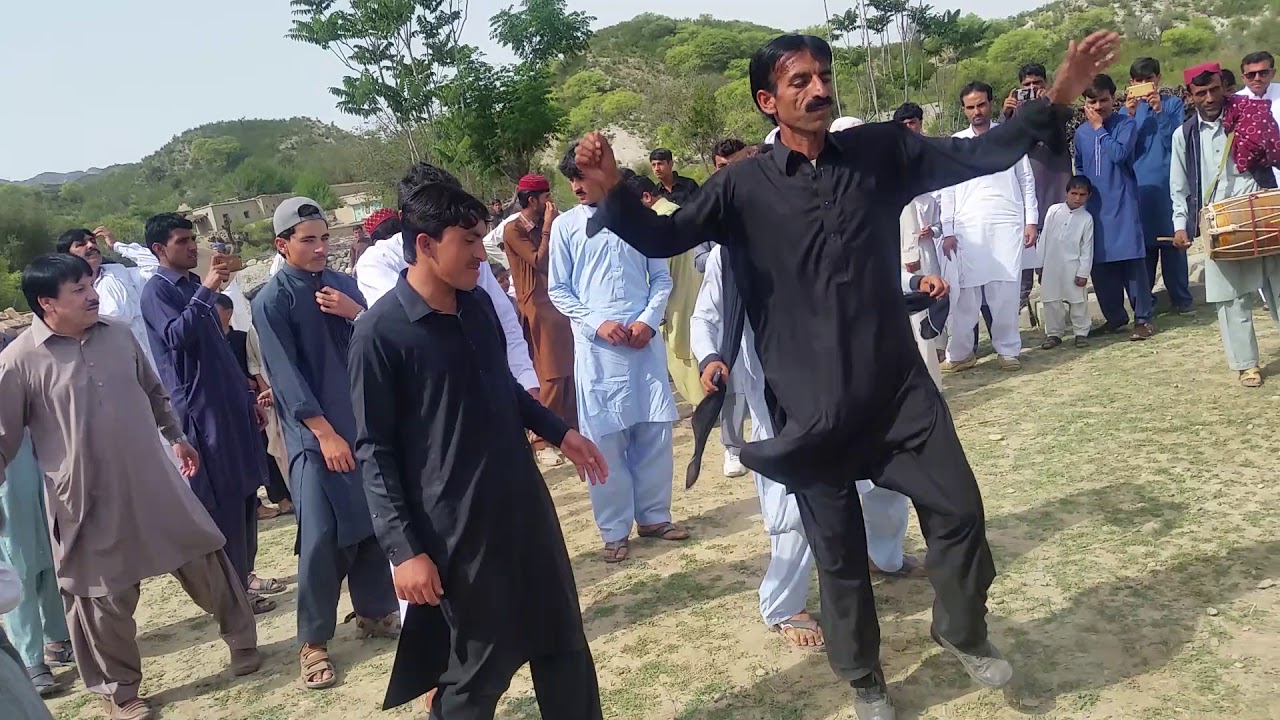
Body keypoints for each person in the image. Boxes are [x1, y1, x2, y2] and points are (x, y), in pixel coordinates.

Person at [571, 30, 1119, 719]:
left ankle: (959, 627)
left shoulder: (882, 151)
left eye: (823, 76)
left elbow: (983, 153)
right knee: (837, 552)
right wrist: (612, 189)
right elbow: (663, 235)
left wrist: (1061, 93)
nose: (819, 89)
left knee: (960, 513)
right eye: (798, 81)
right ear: (768, 101)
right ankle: (864, 677)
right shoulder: (740, 185)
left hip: (897, 393)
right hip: (811, 408)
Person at [349, 170, 608, 718]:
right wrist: (405, 551)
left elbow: (504, 390)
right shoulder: (381, 333)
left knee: (561, 641)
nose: (478, 254)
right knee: (476, 669)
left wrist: (562, 433)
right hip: (456, 532)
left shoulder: (478, 306)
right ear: (424, 244)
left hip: (522, 507)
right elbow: (375, 451)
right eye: (467, 242)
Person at [1, 254, 261, 720]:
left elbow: (155, 392)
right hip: (83, 501)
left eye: (91, 284)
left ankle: (242, 642)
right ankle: (120, 693)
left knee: (205, 560)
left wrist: (177, 439)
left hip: (152, 482)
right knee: (100, 600)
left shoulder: (118, 333)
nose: (92, 294)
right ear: (47, 303)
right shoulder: (19, 361)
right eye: (78, 289)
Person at [251, 198, 400, 690]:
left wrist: (356, 312)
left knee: (374, 523)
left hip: (362, 427)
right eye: (308, 240)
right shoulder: (271, 301)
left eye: (323, 238)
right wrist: (324, 434)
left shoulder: (341, 286)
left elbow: (378, 343)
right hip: (314, 439)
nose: (320, 248)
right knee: (319, 537)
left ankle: (375, 611)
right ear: (283, 245)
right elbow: (287, 378)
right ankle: (312, 641)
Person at [549, 142, 689, 564]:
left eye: (583, 176)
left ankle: (653, 516)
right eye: (571, 178)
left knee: (653, 432)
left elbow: (660, 279)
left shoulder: (638, 221)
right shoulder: (567, 227)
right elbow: (559, 289)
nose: (576, 186)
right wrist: (597, 322)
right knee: (604, 440)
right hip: (598, 350)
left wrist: (647, 320)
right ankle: (614, 530)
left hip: (643, 344)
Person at [139, 214, 279, 615]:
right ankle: (231, 598)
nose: (190, 247)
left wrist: (244, 396)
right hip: (201, 413)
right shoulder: (158, 293)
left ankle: (243, 581)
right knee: (220, 505)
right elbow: (177, 337)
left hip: (228, 406)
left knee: (246, 494)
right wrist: (206, 291)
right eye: (181, 241)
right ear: (159, 250)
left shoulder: (188, 287)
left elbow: (219, 350)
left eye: (190, 240)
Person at [353, 165, 540, 395]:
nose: (480, 255)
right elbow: (415, 336)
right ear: (408, 219)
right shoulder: (378, 264)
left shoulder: (474, 271)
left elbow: (504, 322)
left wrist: (527, 385)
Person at [1172, 63, 1280, 388]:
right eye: (1200, 93)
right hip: (1220, 226)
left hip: (1262, 212)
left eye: (1214, 90)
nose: (1209, 98)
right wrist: (1181, 224)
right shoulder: (1184, 135)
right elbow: (1178, 187)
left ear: (1225, 87)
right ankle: (1247, 365)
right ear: (1190, 96)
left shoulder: (1250, 115)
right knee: (1231, 297)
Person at [940, 81, 1038, 373]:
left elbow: (1026, 180)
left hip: (1006, 224)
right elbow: (947, 189)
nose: (976, 112)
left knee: (1005, 292)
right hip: (967, 229)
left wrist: (1030, 220)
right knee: (964, 295)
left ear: (991, 103)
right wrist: (947, 230)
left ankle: (1008, 350)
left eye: (981, 105)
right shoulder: (956, 143)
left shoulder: (1009, 137)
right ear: (963, 109)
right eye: (970, 107)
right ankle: (960, 353)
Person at [0, 330, 72, 696]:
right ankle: (31, 658)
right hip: (6, 488)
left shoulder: (14, 348)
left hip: (39, 473)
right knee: (19, 566)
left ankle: (58, 640)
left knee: (49, 560)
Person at [502, 174, 578, 467]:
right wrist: (548, 227)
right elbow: (539, 261)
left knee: (569, 370)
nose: (550, 202)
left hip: (559, 302)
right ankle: (540, 438)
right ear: (532, 200)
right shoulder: (514, 230)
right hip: (537, 305)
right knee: (551, 374)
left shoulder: (551, 224)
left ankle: (568, 430)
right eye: (545, 196)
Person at [1074, 73, 1153, 340]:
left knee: (1132, 263)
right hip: (1095, 208)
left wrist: (1099, 128)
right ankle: (1115, 317)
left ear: (1114, 98)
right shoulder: (1081, 133)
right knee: (1101, 265)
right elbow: (1082, 167)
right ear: (1085, 102)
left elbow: (1119, 155)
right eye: (1092, 101)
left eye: (1104, 100)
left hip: (1122, 203)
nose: (1098, 107)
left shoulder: (1125, 124)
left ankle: (1142, 318)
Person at [1003, 63, 1072, 317]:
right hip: (1022, 204)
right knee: (1021, 269)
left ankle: (1057, 317)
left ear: (1046, 84)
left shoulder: (1057, 107)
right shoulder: (1014, 116)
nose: (1032, 89)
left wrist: (1049, 103)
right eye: (1027, 86)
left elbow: (1065, 119)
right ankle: (1018, 320)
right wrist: (1006, 115)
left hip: (1055, 195)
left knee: (1053, 267)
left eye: (1037, 84)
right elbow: (1000, 143)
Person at [1126, 58, 1192, 315]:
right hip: (1139, 187)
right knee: (1144, 250)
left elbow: (1175, 141)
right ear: (1131, 84)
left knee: (1174, 243)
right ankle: (1146, 303)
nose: (1144, 85)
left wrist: (1159, 111)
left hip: (1168, 183)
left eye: (1149, 80)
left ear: (1158, 79)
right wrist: (1130, 116)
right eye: (1139, 81)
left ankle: (1182, 299)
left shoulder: (1173, 104)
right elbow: (1125, 148)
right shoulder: (1125, 112)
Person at [55, 228, 152, 366]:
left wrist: (117, 245)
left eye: (93, 241)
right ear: (67, 256)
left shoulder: (119, 272)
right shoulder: (65, 289)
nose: (91, 245)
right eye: (81, 244)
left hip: (145, 354)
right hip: (105, 360)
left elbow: (153, 266)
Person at [1038, 176, 1097, 349]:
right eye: (1074, 193)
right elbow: (1044, 238)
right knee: (1051, 300)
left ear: (1088, 196)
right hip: (1051, 264)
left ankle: (1081, 333)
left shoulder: (1086, 218)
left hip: (1073, 265)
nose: (1077, 198)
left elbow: (1087, 248)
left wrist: (1083, 272)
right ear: (1066, 192)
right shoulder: (1053, 211)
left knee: (1077, 301)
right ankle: (1054, 334)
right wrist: (1039, 264)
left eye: (1082, 194)